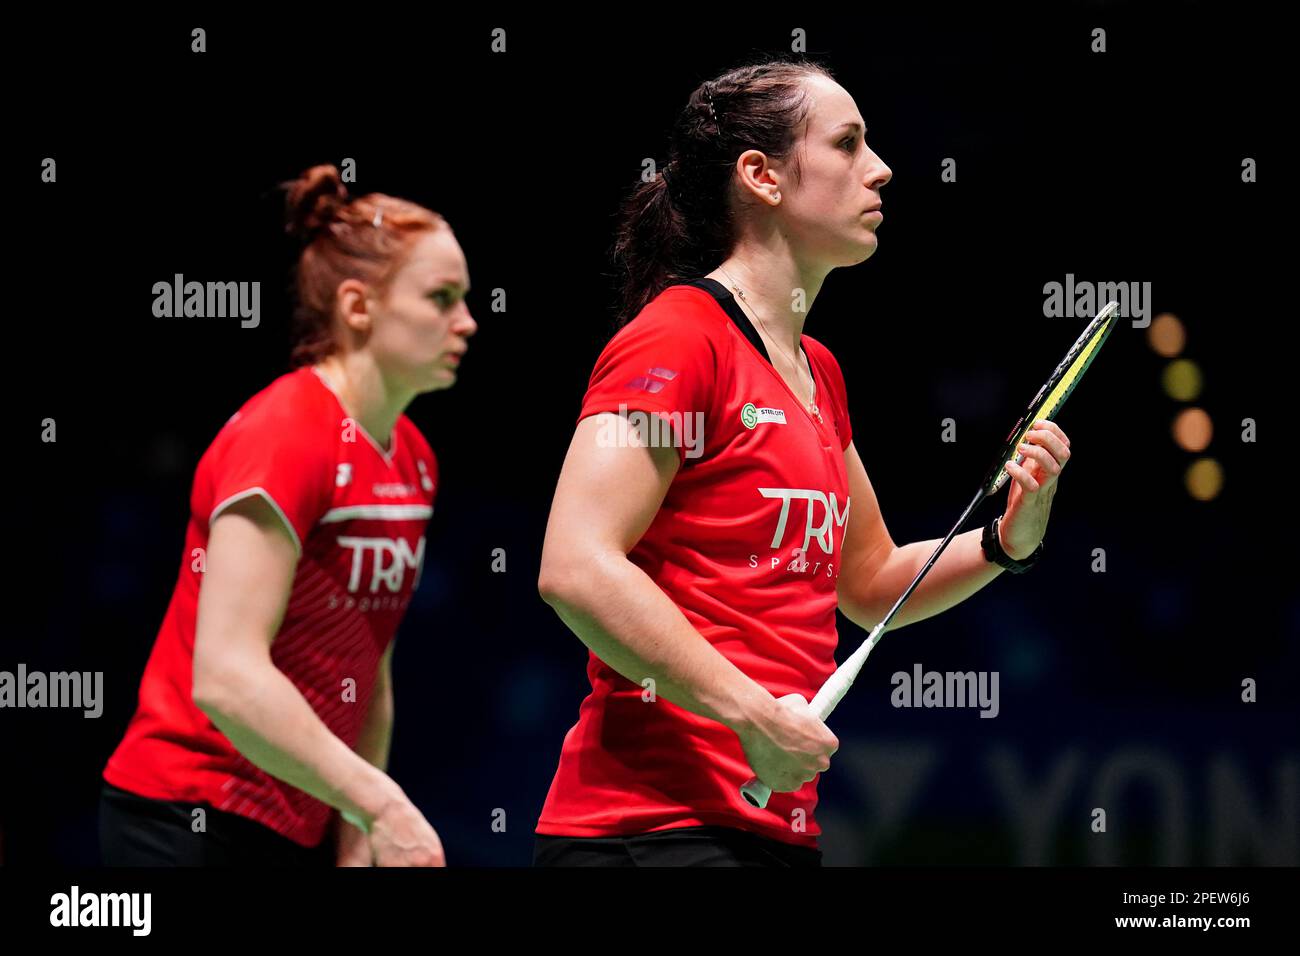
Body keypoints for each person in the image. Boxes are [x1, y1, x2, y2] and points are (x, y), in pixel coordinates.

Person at [534, 58, 1072, 867]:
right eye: (848, 144)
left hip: (768, 830)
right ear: (761, 176)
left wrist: (1006, 541)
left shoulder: (817, 370)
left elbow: (870, 580)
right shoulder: (680, 338)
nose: (881, 167)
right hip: (649, 833)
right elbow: (575, 566)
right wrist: (753, 716)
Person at [100, 165, 477, 866]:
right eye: (441, 299)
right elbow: (225, 674)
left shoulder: (413, 457)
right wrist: (380, 802)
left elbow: (371, 661)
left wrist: (356, 827)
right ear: (358, 306)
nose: (467, 322)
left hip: (300, 816)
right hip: (188, 816)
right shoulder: (285, 433)